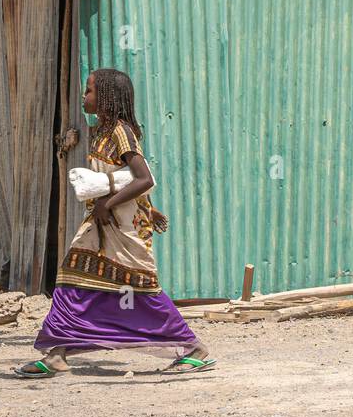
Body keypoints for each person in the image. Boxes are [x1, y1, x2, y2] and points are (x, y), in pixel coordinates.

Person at [15, 68, 214, 377]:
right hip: (102, 222)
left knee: (140, 289)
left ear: (107, 99)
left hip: (123, 227)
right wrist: (145, 208)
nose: (84, 97)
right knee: (74, 280)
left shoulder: (121, 132)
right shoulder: (101, 132)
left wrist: (108, 205)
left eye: (90, 91)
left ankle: (193, 348)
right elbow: (120, 179)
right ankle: (58, 352)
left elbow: (143, 178)